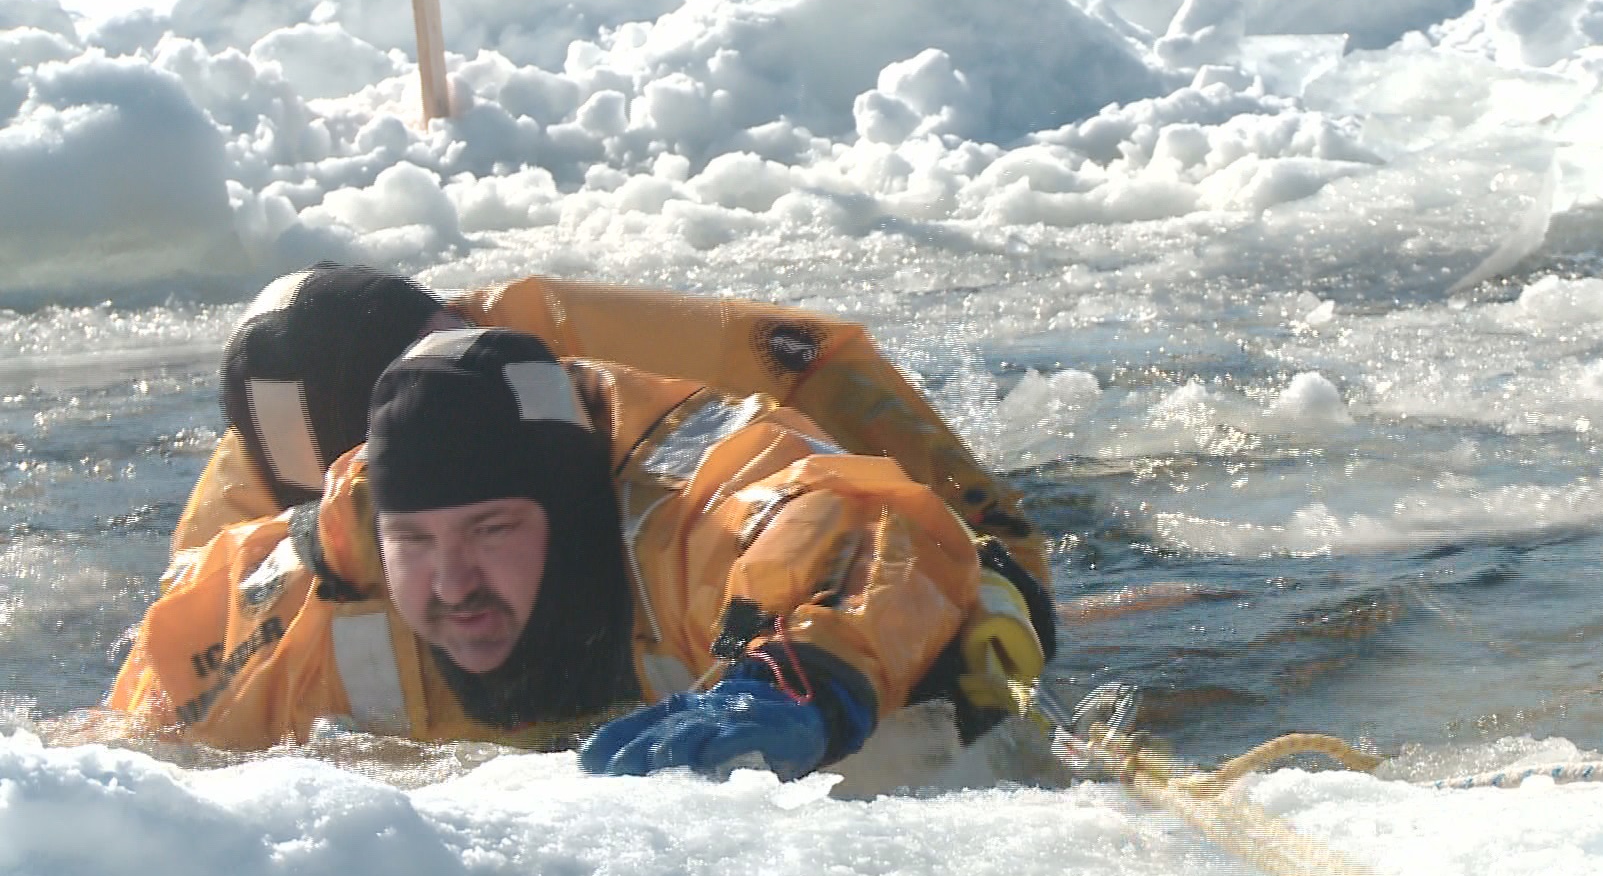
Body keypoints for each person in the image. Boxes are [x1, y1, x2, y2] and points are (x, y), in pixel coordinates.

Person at [105, 326, 1047, 781]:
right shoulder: (310, 593)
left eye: (493, 531)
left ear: (570, 515)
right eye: (416, 542)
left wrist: (803, 680)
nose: (451, 582)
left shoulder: (679, 527)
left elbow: (871, 529)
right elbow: (133, 737)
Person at [176, 264, 1053, 609]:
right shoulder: (276, 446)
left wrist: (989, 531)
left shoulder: (555, 338)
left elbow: (810, 361)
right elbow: (194, 599)